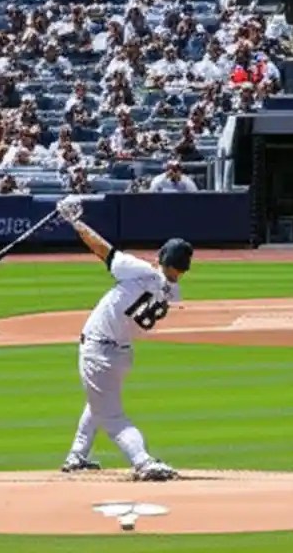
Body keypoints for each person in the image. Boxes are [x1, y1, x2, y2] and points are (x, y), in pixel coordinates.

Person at [57, 195, 188, 482]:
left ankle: (142, 461)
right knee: (98, 404)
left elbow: (103, 250)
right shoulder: (172, 292)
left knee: (112, 416)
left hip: (99, 351)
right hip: (121, 355)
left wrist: (75, 223)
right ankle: (76, 456)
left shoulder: (141, 271)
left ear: (162, 257)